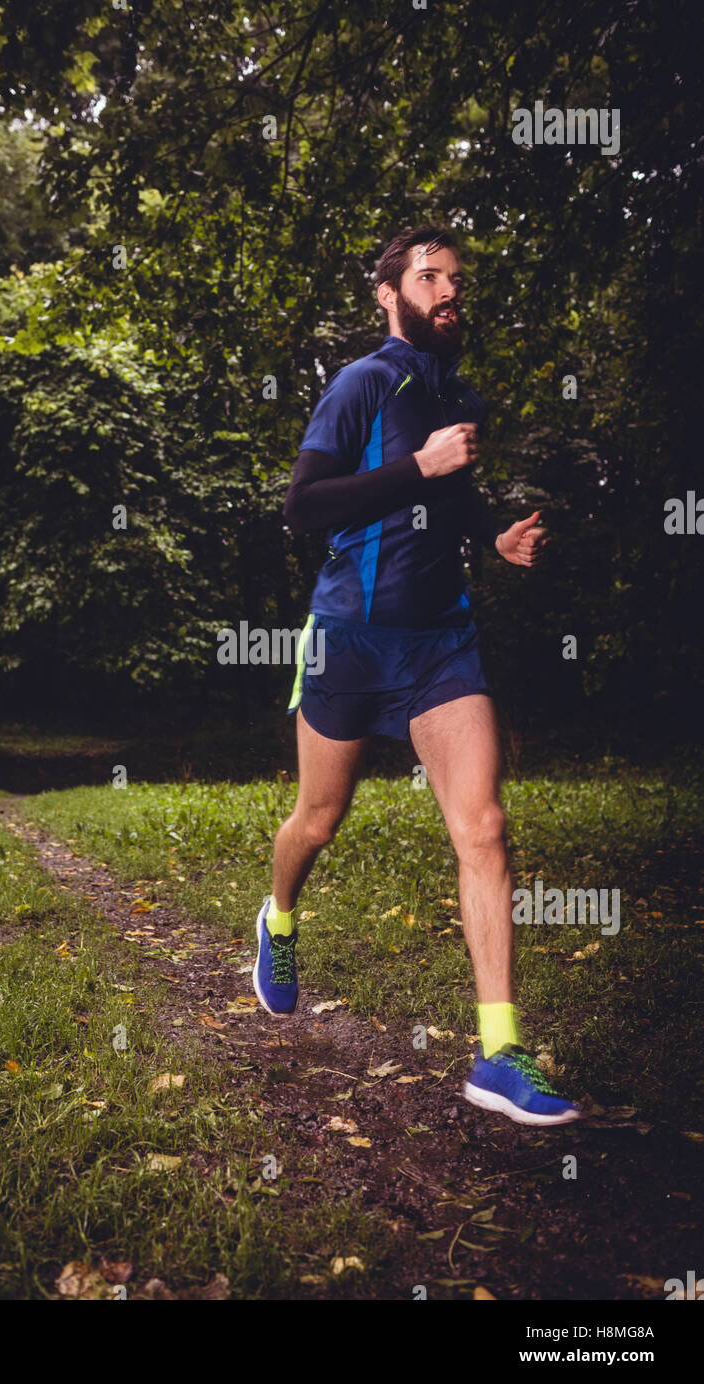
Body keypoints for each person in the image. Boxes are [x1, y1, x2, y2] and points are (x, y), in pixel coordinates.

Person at [252, 226, 581, 1125]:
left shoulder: (453, 389)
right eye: (429, 276)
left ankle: (500, 1053)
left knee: (484, 826)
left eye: (456, 278)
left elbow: (449, 499)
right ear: (387, 294)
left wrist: (494, 538)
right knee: (319, 820)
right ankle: (278, 921)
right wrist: (418, 464)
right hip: (350, 641)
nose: (448, 290)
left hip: (441, 640)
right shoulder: (363, 381)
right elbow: (303, 507)